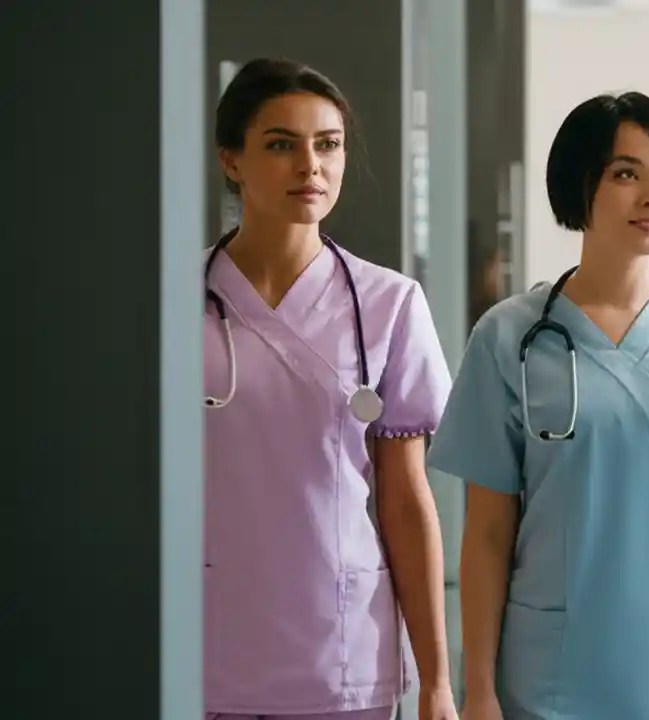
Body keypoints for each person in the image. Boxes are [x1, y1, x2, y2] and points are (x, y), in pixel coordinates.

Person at [426, 91, 649, 719]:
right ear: (577, 186)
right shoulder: (507, 336)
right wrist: (478, 690)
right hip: (553, 673)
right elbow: (486, 533)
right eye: (627, 173)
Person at [203, 58, 457, 720]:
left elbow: (406, 502)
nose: (310, 166)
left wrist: (436, 682)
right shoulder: (175, 303)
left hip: (340, 654)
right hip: (206, 649)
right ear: (231, 160)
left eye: (328, 144)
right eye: (281, 145)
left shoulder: (389, 304)